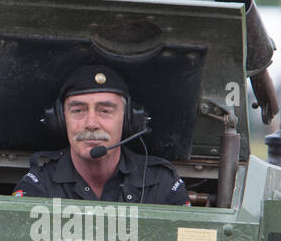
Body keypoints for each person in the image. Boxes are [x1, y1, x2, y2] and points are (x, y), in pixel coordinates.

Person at [13, 64, 190, 205]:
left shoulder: (163, 184)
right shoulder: (38, 184)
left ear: (128, 120)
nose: (91, 124)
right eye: (78, 110)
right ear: (60, 119)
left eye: (105, 111)